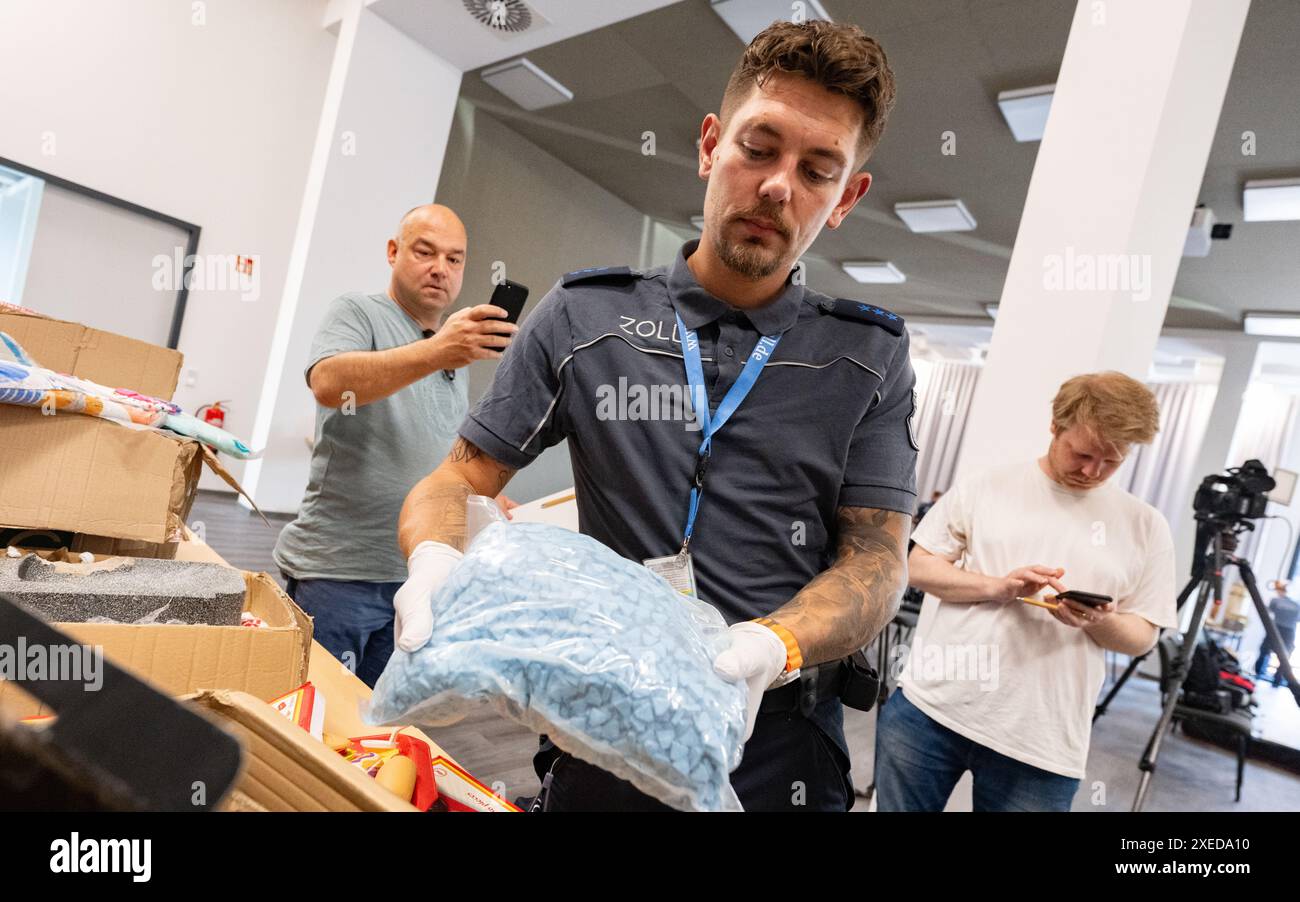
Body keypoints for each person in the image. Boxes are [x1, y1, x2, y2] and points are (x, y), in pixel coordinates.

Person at [394, 20, 915, 811]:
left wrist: (773, 646)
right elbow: (459, 476)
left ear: (846, 198)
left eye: (817, 170)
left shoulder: (866, 357)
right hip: (604, 713)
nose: (779, 186)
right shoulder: (584, 318)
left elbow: (878, 559)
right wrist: (434, 558)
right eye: (759, 147)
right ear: (711, 146)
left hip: (778, 736)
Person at [875, 372, 1178, 812]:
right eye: (1083, 453)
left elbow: (1143, 636)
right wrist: (996, 587)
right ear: (1055, 427)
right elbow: (917, 566)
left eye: (1111, 462)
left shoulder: (1146, 526)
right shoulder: (988, 486)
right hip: (931, 710)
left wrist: (1099, 620)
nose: (1092, 471)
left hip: (1043, 743)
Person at [273, 204, 518, 687]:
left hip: (414, 575)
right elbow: (328, 383)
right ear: (393, 251)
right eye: (424, 252)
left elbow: (439, 450)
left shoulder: (453, 349)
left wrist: (480, 498)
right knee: (308, 713)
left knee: (370, 727)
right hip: (338, 571)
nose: (439, 269)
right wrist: (437, 351)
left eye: (453, 259)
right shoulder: (360, 311)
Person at [1254, 581, 1298, 688]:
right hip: (1281, 630)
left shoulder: (1278, 601)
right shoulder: (1284, 602)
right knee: (1278, 655)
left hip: (1280, 630)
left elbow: (1268, 611)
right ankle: (1275, 680)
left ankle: (1261, 675)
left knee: (1269, 652)